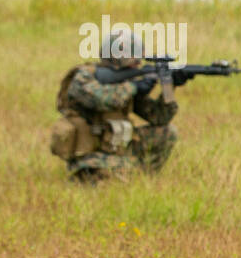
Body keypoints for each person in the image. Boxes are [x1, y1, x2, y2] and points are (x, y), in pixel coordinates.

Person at [51, 31, 187, 182]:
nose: (138, 65)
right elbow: (101, 99)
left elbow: (160, 117)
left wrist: (169, 86)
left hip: (119, 150)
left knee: (168, 132)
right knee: (108, 185)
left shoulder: (127, 82)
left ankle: (146, 178)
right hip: (91, 157)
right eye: (134, 60)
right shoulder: (84, 76)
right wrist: (133, 87)